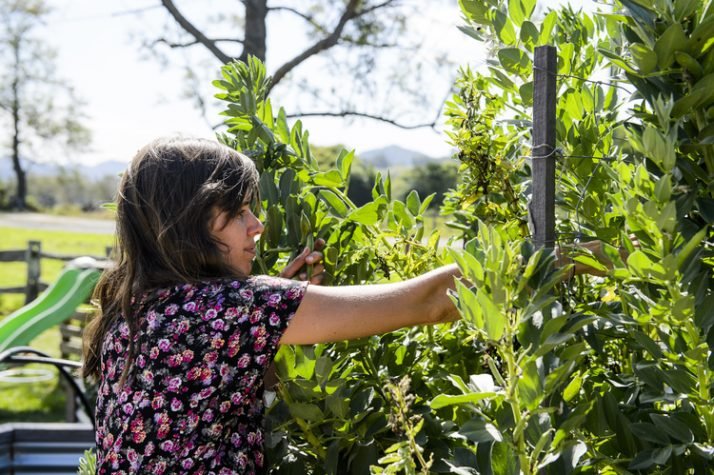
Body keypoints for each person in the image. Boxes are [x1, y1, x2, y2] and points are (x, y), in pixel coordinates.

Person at [82, 136, 615, 474]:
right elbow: (431, 301)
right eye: (236, 211)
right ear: (188, 219)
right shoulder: (233, 309)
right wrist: (569, 258)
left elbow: (208, 398)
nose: (257, 225)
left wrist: (275, 308)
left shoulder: (132, 306)